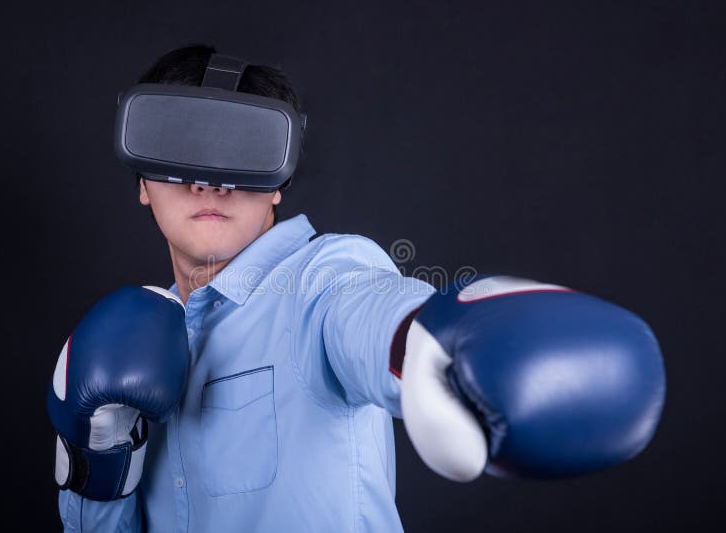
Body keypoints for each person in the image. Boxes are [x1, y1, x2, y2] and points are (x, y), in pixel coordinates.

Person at [47, 44, 666, 532]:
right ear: (142, 181)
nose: (210, 181)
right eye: (180, 147)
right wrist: (100, 459)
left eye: (242, 150)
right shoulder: (131, 340)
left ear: (279, 180)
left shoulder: (323, 279)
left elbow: (371, 311)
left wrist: (440, 342)